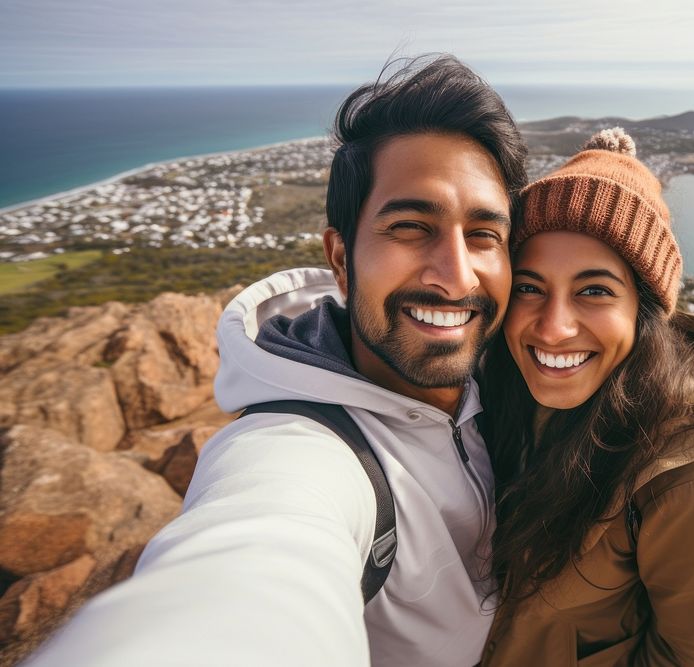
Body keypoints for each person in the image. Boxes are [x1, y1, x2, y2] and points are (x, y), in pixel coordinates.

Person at [27, 54, 527, 667]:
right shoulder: (301, 450)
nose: (455, 276)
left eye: (484, 235)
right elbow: (254, 564)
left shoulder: (518, 373)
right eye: (410, 227)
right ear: (340, 259)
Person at [478, 128, 694, 666]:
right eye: (529, 287)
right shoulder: (494, 393)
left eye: (594, 290)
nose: (552, 329)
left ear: (645, 315)